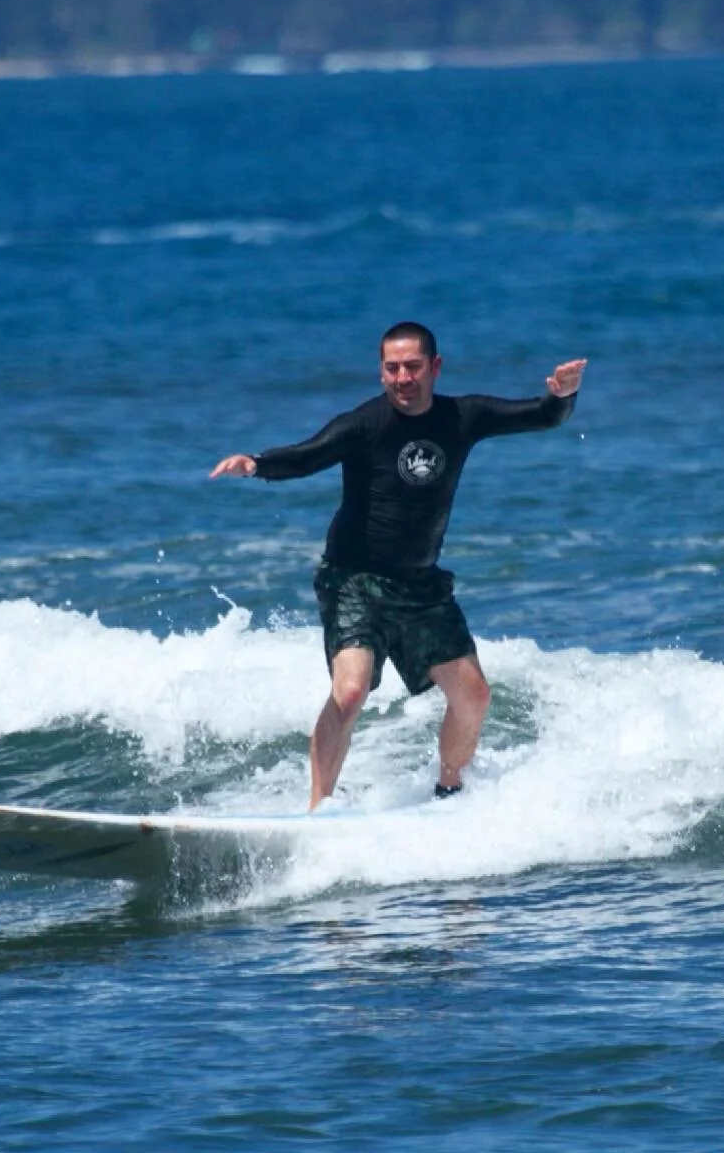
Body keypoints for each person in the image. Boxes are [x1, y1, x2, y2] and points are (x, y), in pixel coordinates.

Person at [211, 321, 586, 810]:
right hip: (352, 580)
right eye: (391, 368)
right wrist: (257, 464)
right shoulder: (364, 423)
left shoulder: (462, 417)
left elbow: (540, 416)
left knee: (473, 696)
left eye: (412, 367)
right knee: (350, 692)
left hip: (421, 587)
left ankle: (449, 792)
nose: (402, 378)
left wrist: (563, 396)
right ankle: (317, 809)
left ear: (434, 367)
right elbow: (309, 455)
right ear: (382, 371)